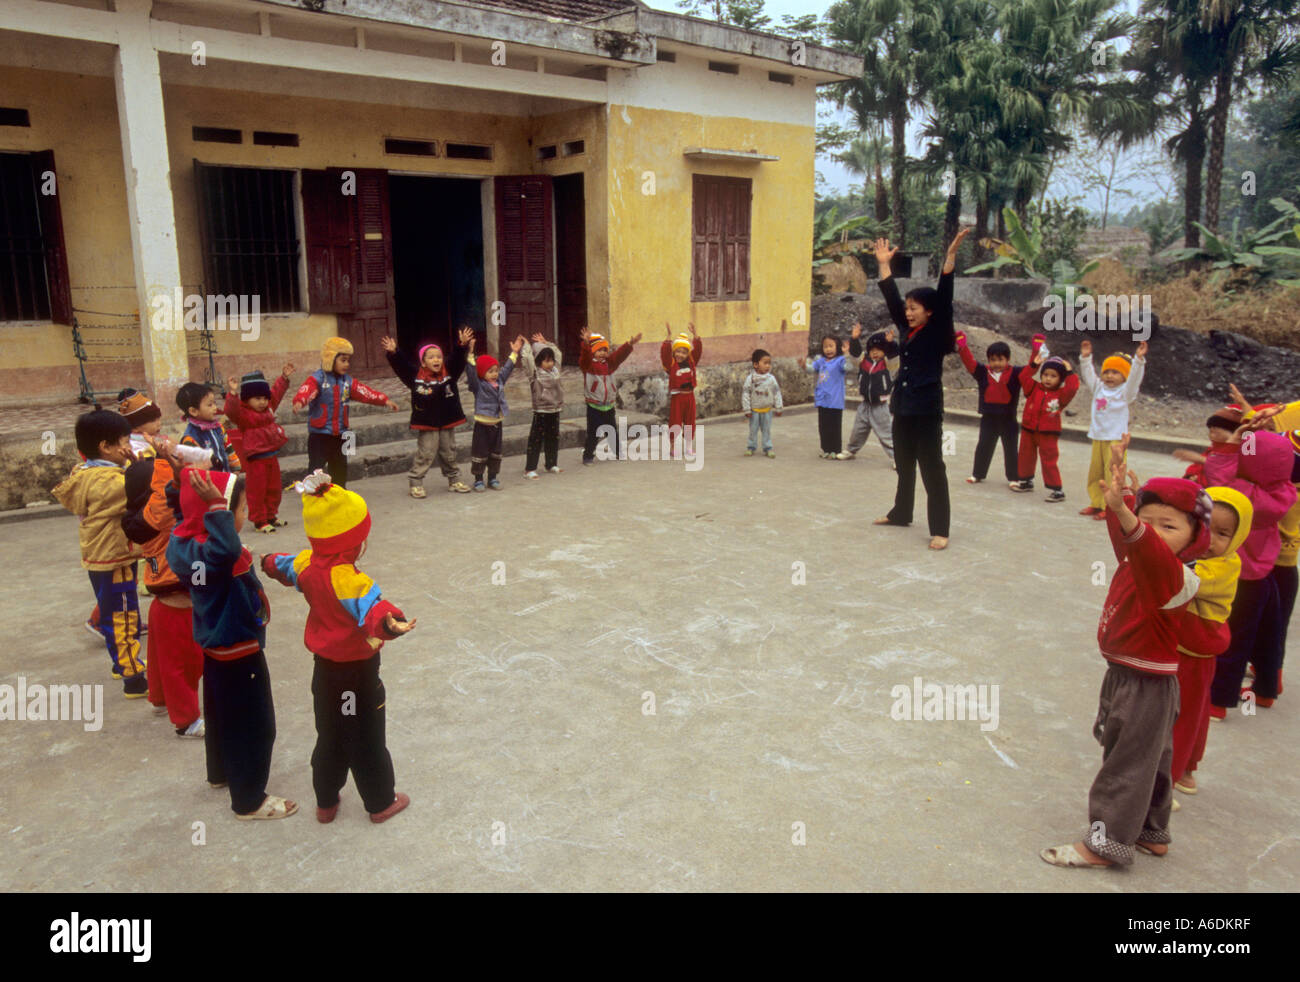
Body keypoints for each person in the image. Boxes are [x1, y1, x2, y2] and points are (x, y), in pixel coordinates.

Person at [1041, 463, 1210, 869]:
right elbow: (1131, 542)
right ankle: (1151, 832)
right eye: (1147, 523)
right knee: (1151, 758)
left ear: (1194, 539)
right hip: (1132, 676)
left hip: (1144, 684)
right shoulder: (1143, 560)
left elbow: (1143, 545)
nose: (1151, 532)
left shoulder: (1172, 575)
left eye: (1167, 526)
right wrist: (1124, 507)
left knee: (1126, 763)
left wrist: (1127, 513)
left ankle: (1106, 843)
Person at [262, 471, 416, 824]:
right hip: (359, 675)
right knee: (367, 739)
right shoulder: (349, 578)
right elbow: (372, 607)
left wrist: (267, 562)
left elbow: (282, 565)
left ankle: (326, 802)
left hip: (325, 671)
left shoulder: (307, 564)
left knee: (329, 735)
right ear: (352, 544)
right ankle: (380, 802)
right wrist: (391, 622)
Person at [166, 468, 296, 820]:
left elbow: (184, 514)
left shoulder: (183, 544)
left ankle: (220, 773)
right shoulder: (218, 555)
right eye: (238, 510)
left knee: (222, 716)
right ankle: (249, 799)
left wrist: (180, 483)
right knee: (254, 726)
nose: (243, 516)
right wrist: (214, 505)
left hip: (215, 649)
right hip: (240, 650)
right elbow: (224, 550)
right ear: (214, 517)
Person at [871, 228, 968, 549]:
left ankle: (940, 528)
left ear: (930, 311)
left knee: (932, 468)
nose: (908, 312)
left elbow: (946, 295)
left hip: (926, 410)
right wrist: (884, 266)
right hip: (903, 407)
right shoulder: (906, 328)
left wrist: (950, 258)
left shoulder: (939, 332)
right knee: (904, 463)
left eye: (915, 308)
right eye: (908, 308)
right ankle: (901, 512)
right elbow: (892, 300)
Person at [52, 409, 147, 696]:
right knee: (124, 617)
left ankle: (120, 664)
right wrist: (140, 469)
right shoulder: (112, 482)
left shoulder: (83, 474)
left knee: (112, 614)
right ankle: (133, 675)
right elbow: (142, 489)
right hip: (115, 555)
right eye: (125, 441)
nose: (129, 447)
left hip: (99, 557)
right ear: (106, 447)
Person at [1205, 418, 1296, 715]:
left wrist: (1234, 443)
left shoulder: (1242, 491)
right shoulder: (1283, 493)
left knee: (1231, 639)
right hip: (1265, 576)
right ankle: (1266, 690)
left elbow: (1217, 474)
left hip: (1237, 577)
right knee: (1267, 636)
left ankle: (1218, 701)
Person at [122, 437, 207, 737]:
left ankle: (158, 699)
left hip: (163, 605)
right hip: (178, 606)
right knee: (181, 666)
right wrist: (163, 463)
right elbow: (162, 500)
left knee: (161, 661)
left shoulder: (140, 522)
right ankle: (186, 720)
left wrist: (140, 464)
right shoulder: (160, 519)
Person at [1171, 486, 1253, 798]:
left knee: (1179, 715)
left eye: (1222, 533)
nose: (1210, 539)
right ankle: (1187, 770)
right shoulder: (1196, 556)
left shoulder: (1223, 565)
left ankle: (1165, 782)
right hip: (1189, 645)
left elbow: (1183, 577)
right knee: (1194, 712)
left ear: (1238, 537)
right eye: (1204, 528)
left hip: (1194, 649)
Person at [292, 337, 397, 487]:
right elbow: (307, 391)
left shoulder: (347, 381)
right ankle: (312, 497)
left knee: (340, 469)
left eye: (348, 360)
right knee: (316, 470)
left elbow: (364, 392)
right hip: (319, 436)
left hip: (341, 435)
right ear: (330, 358)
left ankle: (339, 494)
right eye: (343, 360)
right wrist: (299, 401)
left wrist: (383, 400)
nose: (347, 364)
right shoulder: (317, 379)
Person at [382, 328, 473, 498]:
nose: (436, 359)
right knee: (426, 452)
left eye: (438, 356)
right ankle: (416, 482)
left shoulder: (449, 373)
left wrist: (462, 345)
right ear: (423, 362)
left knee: (449, 451)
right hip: (427, 421)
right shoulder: (415, 377)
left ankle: (454, 480)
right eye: (431, 357)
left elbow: (458, 360)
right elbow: (402, 367)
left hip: (447, 419)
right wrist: (394, 353)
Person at [955, 334, 1042, 485]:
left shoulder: (1016, 373)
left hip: (1008, 419)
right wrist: (962, 347)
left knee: (1010, 449)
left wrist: (1036, 350)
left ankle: (1014, 478)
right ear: (989, 360)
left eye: (1000, 359)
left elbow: (1030, 371)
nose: (997, 363)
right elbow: (970, 363)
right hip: (989, 418)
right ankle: (978, 474)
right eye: (993, 360)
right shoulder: (983, 372)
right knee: (983, 446)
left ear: (1008, 359)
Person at [1079, 340, 1148, 517]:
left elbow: (1134, 380)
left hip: (1116, 439)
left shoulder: (1125, 393)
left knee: (1113, 475)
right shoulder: (1098, 388)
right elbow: (1088, 376)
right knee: (1096, 473)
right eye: (1107, 372)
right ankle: (1096, 502)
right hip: (1098, 437)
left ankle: (1110, 507)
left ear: (1124, 376)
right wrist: (1086, 359)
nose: (1110, 376)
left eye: (1115, 372)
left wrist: (1138, 361)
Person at [223, 366, 292, 533]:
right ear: (247, 400)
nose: (262, 402)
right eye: (257, 398)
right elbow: (231, 411)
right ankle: (259, 520)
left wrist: (283, 378)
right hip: (256, 459)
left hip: (271, 455)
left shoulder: (268, 408)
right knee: (257, 491)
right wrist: (232, 394)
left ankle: (271, 515)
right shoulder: (243, 415)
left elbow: (276, 393)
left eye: (264, 398)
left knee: (274, 488)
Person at [1013, 351, 1080, 502]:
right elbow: (1023, 377)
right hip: (1028, 430)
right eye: (1045, 375)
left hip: (1048, 433)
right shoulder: (1033, 388)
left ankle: (1057, 490)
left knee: (1049, 461)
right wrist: (1034, 366)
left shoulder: (1061, 395)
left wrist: (1069, 373)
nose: (1048, 378)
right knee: (1025, 456)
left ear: (1061, 379)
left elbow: (1073, 388)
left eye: (1053, 376)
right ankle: (1026, 481)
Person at [464, 334, 524, 490]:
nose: (495, 374)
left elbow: (508, 369)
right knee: (480, 452)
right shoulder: (478, 385)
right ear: (482, 373)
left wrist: (514, 353)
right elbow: (471, 374)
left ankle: (493, 478)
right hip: (482, 425)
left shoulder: (499, 381)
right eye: (490, 371)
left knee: (495, 453)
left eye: (496, 370)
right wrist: (470, 354)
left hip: (497, 423)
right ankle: (478, 479)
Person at [578, 327, 641, 464]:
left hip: (609, 405)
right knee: (593, 433)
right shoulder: (588, 366)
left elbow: (619, 355)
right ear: (593, 351)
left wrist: (629, 344)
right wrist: (586, 344)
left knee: (612, 431)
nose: (602, 353)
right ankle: (588, 455)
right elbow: (585, 357)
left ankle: (618, 452)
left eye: (604, 350)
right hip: (594, 405)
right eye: (599, 350)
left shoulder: (609, 364)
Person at [845, 322, 897, 463]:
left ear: (884, 351)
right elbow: (855, 356)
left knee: (886, 434)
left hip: (880, 406)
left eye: (879, 349)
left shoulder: (888, 364)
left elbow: (894, 356)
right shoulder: (864, 362)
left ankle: (897, 458)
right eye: (872, 350)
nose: (875, 352)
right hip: (865, 404)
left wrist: (891, 344)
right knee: (858, 430)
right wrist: (855, 340)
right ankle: (851, 450)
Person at [519, 332, 565, 479]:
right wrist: (526, 346)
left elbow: (558, 354)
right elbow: (527, 359)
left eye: (551, 360)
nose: (550, 363)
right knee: (536, 440)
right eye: (546, 361)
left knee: (553, 437)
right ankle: (530, 468)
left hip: (555, 409)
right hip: (541, 410)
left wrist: (547, 343)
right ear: (538, 361)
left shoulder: (556, 370)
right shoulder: (534, 374)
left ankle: (551, 464)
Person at [177, 382, 240, 473]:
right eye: (210, 405)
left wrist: (235, 468)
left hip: (226, 477)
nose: (215, 408)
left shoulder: (219, 428)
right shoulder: (190, 439)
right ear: (194, 411)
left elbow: (229, 449)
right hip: (208, 483)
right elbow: (194, 468)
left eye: (214, 403)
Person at [804, 334, 849, 458]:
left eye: (831, 346)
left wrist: (847, 355)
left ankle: (835, 450)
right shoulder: (821, 361)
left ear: (838, 347)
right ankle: (826, 449)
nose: (828, 349)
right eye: (825, 347)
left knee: (834, 426)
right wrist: (803, 365)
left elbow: (849, 367)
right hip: (822, 399)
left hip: (835, 400)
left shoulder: (840, 360)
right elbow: (811, 369)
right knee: (823, 426)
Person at [661, 322, 703, 457]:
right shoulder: (671, 364)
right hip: (677, 398)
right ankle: (673, 447)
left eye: (684, 352)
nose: (680, 354)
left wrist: (696, 336)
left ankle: (689, 447)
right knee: (675, 421)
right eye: (678, 351)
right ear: (674, 352)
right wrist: (668, 338)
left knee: (690, 422)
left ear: (687, 354)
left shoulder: (691, 362)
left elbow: (698, 352)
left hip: (689, 397)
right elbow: (665, 354)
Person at [741, 348, 783, 457]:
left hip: (767, 410)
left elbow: (776, 393)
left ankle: (768, 448)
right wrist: (747, 409)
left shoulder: (771, 379)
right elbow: (746, 394)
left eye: (769, 363)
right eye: (765, 363)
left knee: (766, 430)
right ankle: (751, 447)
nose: (768, 366)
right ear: (755, 364)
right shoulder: (750, 379)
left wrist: (779, 407)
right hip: (754, 411)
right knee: (753, 430)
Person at [117, 388, 164, 460]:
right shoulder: (136, 449)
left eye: (159, 418)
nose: (159, 423)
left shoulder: (154, 439)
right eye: (153, 420)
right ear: (135, 428)